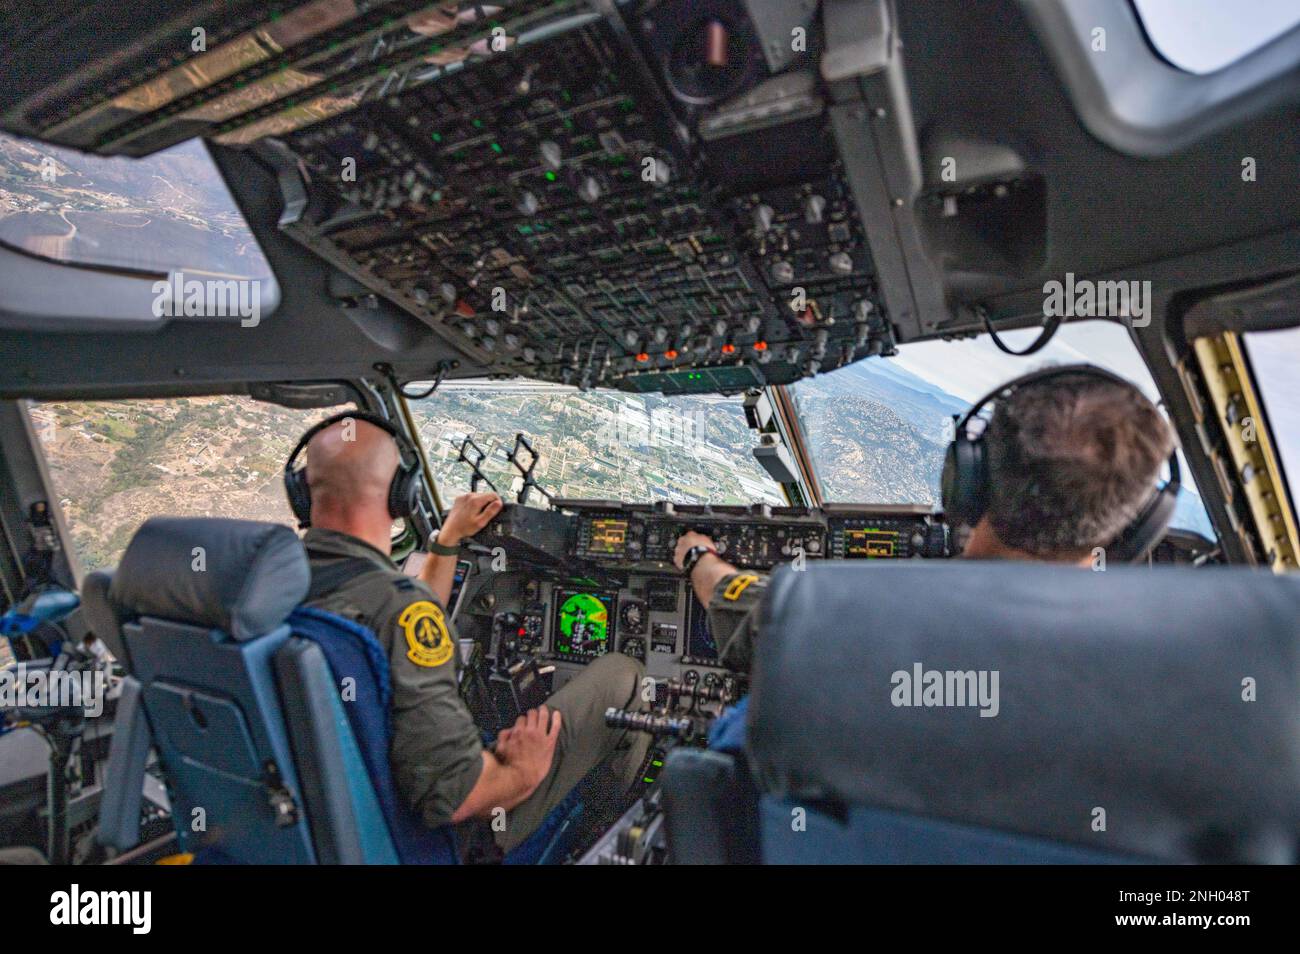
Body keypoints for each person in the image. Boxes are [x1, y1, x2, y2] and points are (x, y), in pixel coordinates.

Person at [296, 415, 649, 859]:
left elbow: (408, 619)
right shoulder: (399, 609)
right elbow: (458, 796)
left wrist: (446, 542)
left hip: (328, 812)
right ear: (401, 495)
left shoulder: (264, 587)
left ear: (302, 491)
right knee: (625, 675)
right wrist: (522, 770)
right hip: (455, 830)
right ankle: (605, 829)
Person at [676, 367, 1177, 676]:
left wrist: (698, 555)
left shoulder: (840, 614)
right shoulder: (1129, 676)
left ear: (966, 480)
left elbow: (733, 598)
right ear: (1131, 533)